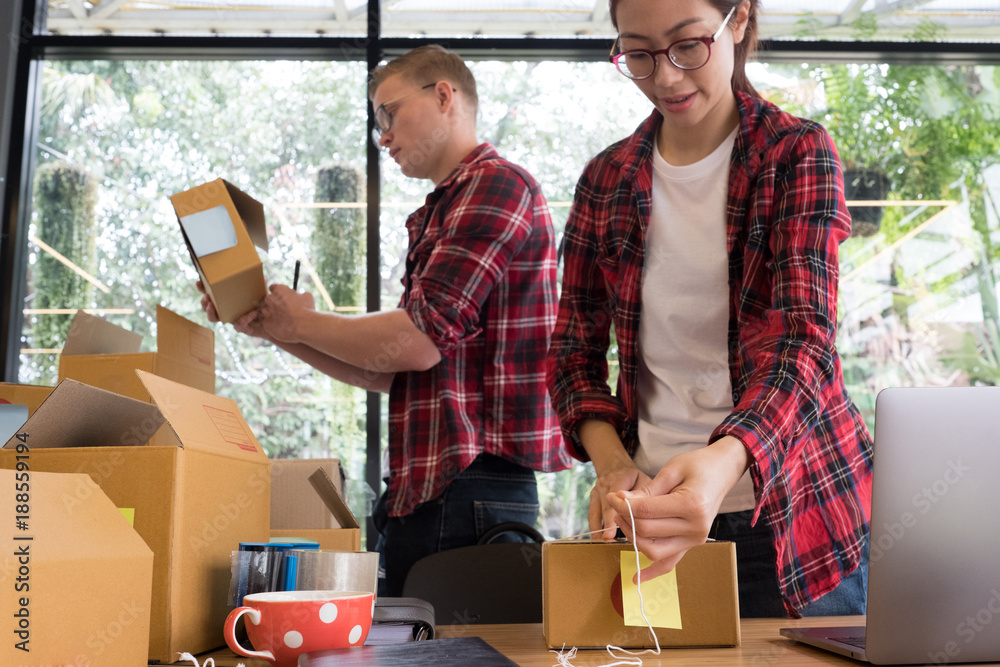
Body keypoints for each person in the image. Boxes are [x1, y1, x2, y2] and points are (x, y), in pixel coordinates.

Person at [200, 45, 570, 596]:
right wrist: (276, 330)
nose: (383, 136)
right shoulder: (445, 207)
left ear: (443, 96)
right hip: (438, 490)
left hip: (471, 487)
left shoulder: (495, 186)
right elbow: (386, 372)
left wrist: (300, 323)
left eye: (388, 113)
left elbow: (416, 342)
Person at [546, 0, 873, 617]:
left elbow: (804, 341)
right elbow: (572, 354)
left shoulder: (796, 153)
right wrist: (614, 466)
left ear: (739, 21)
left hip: (791, 510)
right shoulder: (606, 178)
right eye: (637, 53)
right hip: (652, 512)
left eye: (687, 45)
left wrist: (725, 464)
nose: (665, 77)